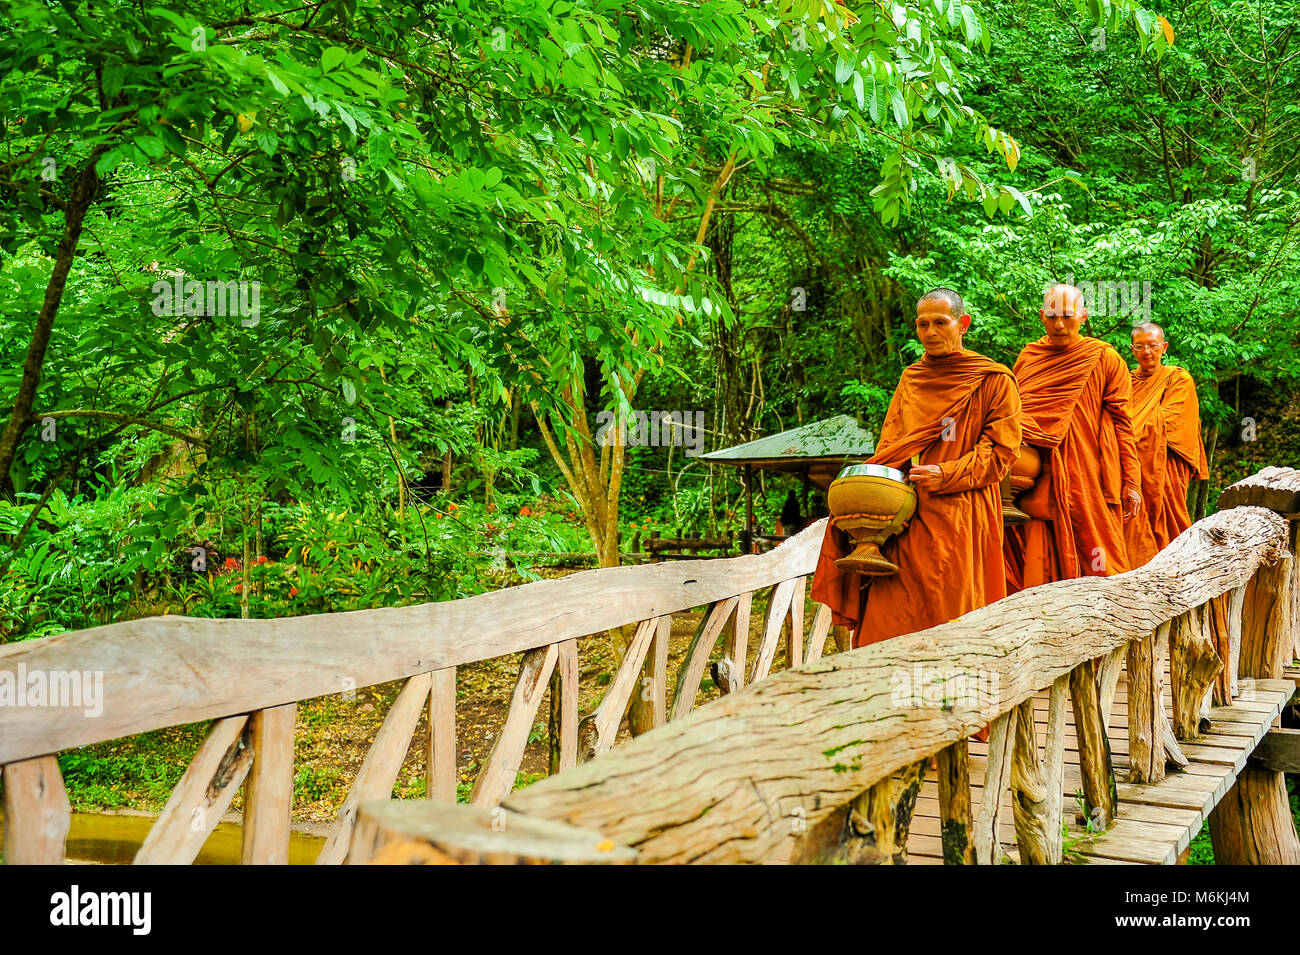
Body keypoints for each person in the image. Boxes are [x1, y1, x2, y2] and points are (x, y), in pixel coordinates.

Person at [812, 288, 1022, 648]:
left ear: (963, 324)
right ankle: (886, 696)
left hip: (962, 513)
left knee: (951, 608)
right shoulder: (912, 377)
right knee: (892, 611)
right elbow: (891, 445)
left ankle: (956, 696)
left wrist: (948, 473)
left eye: (941, 322)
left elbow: (1002, 452)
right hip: (906, 514)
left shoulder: (993, 379)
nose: (931, 332)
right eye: (923, 324)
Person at [1004, 284, 1142, 590]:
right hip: (1034, 477)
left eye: (1067, 316)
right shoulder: (1029, 357)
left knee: (1100, 564)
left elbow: (1122, 422)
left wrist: (1131, 480)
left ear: (1083, 315)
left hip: (1086, 477)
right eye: (1052, 316)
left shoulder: (1103, 357)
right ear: (1042, 316)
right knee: (1036, 567)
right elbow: (1010, 417)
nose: (1060, 324)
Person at [1123, 322, 1209, 566]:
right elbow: (1112, 419)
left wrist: (1127, 437)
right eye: (1140, 347)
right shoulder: (1125, 382)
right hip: (1130, 466)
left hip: (1164, 466)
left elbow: (1174, 420)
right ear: (1132, 350)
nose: (1147, 352)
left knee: (1169, 529)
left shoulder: (1177, 378)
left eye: (1152, 346)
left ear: (1164, 347)